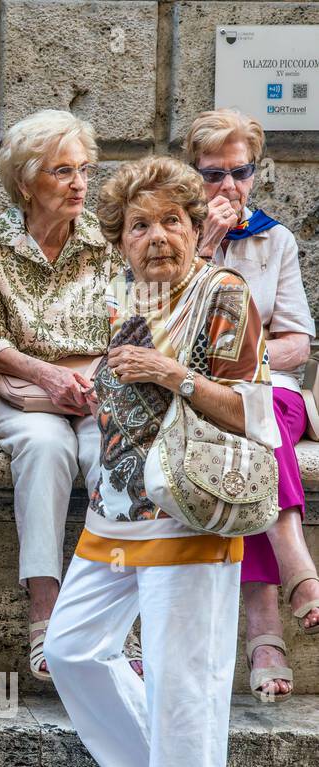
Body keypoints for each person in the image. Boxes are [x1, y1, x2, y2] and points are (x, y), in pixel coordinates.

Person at [44, 156, 279, 767]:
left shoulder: (224, 294)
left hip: (191, 512)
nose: (156, 237)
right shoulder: (117, 295)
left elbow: (261, 413)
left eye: (171, 220)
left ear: (191, 224)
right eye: (139, 225)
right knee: (70, 647)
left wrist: (175, 375)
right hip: (113, 512)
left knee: (187, 690)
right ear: (119, 239)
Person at [0, 109, 124, 680]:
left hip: (93, 387)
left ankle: (110, 618)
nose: (80, 183)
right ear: (26, 182)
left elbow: (129, 323)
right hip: (18, 392)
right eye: (62, 171)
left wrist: (93, 380)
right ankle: (45, 611)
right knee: (45, 448)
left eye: (84, 169)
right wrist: (45, 375)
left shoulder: (105, 242)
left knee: (106, 453)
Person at [186, 108, 318, 702]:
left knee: (261, 421)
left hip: (269, 390)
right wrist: (207, 243)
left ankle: (267, 631)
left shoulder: (276, 239)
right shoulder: (170, 232)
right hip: (197, 395)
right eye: (214, 175)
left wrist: (246, 356)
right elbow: (160, 318)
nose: (229, 188)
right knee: (247, 425)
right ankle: (283, 595)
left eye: (241, 172)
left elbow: (298, 340)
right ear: (192, 177)